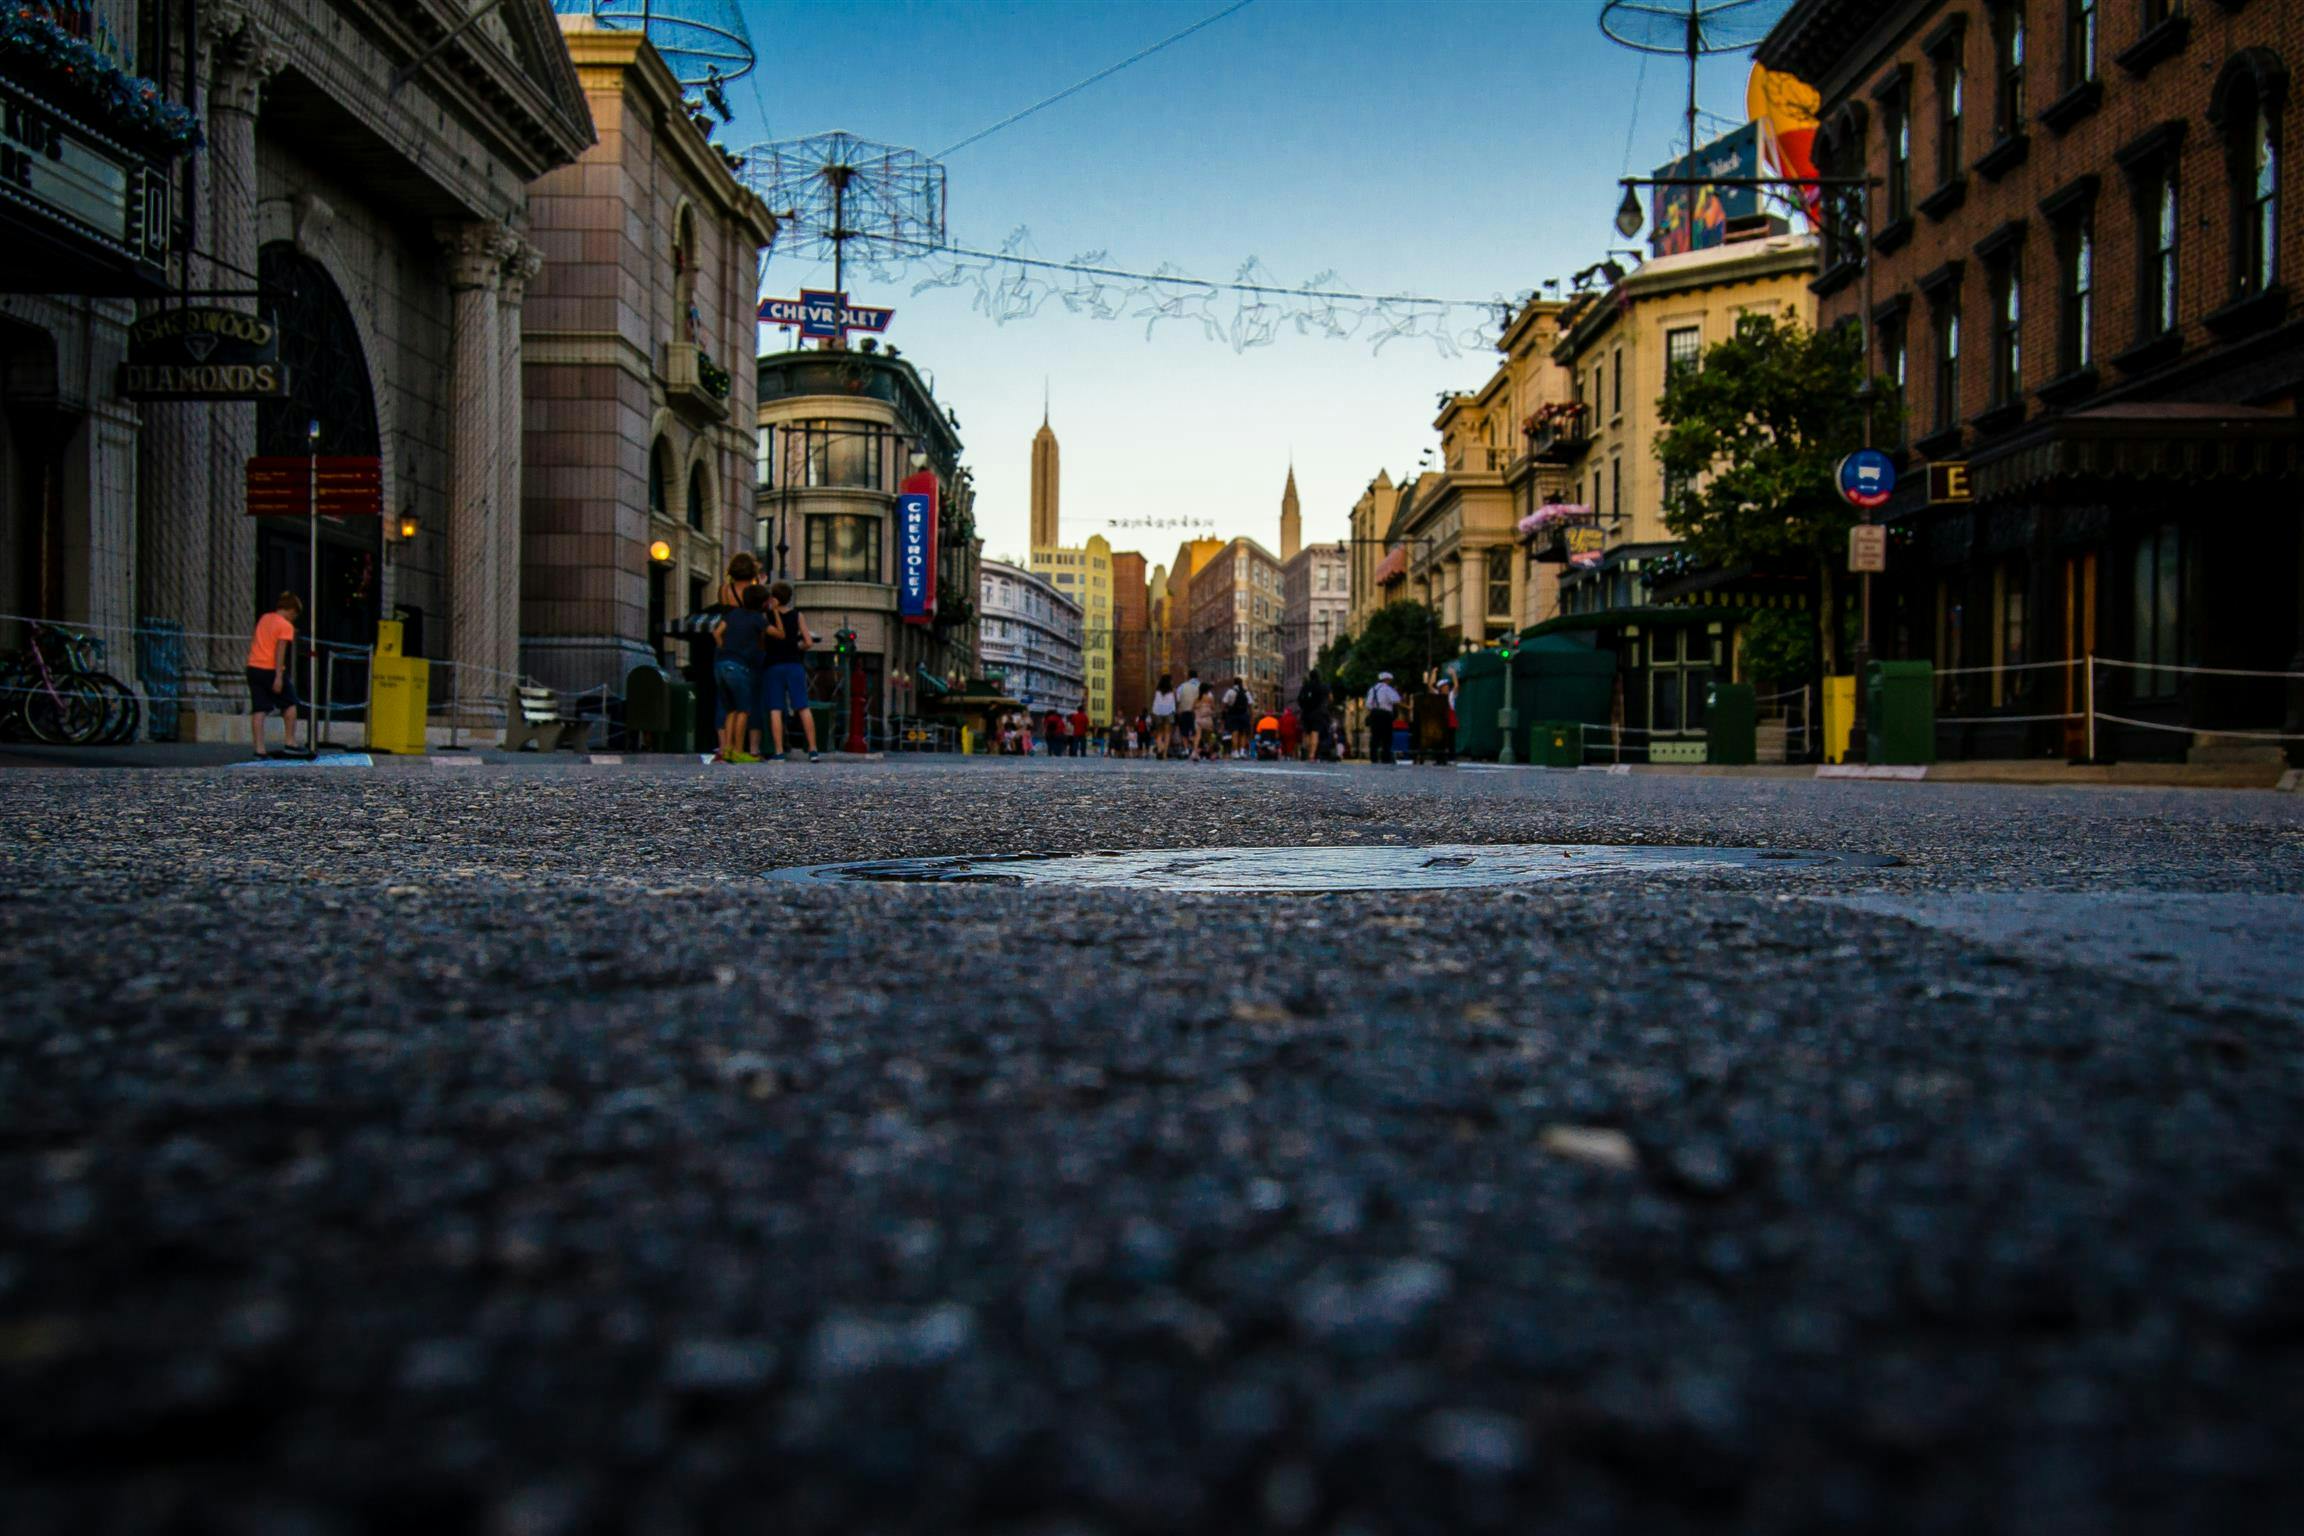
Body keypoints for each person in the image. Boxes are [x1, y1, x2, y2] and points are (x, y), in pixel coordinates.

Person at [759, 581, 820, 761]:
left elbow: (761, 642)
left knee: (775, 708)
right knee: (802, 706)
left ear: (774, 598)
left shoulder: (766, 616)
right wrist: (796, 647)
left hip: (773, 665)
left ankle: (779, 752)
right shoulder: (797, 615)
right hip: (794, 664)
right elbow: (808, 642)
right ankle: (813, 749)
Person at [710, 585, 770, 763]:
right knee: (744, 709)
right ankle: (737, 750)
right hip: (739, 666)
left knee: (731, 709)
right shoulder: (757, 618)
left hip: (721, 663)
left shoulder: (732, 614)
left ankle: (727, 749)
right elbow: (779, 634)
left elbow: (716, 632)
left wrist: (722, 646)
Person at [246, 591, 303, 757]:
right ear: (291, 610)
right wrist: (278, 676)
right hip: (270, 668)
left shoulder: (264, 618)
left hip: (254, 666)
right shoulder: (285, 626)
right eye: (295, 615)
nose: (293, 619)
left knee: (259, 709)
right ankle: (290, 741)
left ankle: (259, 749)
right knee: (290, 703)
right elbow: (280, 651)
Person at [1365, 670, 1403, 764]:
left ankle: (1373, 758)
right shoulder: (1388, 689)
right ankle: (1385, 758)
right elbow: (1396, 700)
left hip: (1374, 714)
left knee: (1375, 737)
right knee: (1386, 737)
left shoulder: (1373, 689)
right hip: (1385, 714)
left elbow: (1368, 704)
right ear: (1387, 680)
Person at [1297, 668, 1332, 763]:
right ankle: (1312, 755)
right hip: (1318, 713)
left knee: (1307, 733)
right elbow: (1330, 698)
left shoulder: (1306, 686)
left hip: (1306, 713)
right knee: (1315, 733)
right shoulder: (1323, 686)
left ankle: (1307, 752)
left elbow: (1299, 699)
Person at [1222, 676, 1253, 757]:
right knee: (1243, 733)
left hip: (1233, 714)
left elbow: (1224, 703)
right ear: (1241, 683)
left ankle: (1235, 752)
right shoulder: (1246, 692)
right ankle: (1242, 751)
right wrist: (1251, 715)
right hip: (1243, 714)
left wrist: (1225, 712)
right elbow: (1250, 704)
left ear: (1234, 683)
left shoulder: (1230, 691)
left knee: (1234, 733)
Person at [1149, 674, 1178, 758]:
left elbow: (1155, 702)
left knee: (1159, 732)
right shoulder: (1173, 691)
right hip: (1169, 712)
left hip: (1158, 713)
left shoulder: (1157, 691)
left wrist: (1153, 712)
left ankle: (1160, 749)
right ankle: (1165, 753)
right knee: (1167, 733)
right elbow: (1175, 702)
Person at [1192, 683, 1219, 759]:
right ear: (1207, 690)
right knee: (1210, 736)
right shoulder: (1209, 698)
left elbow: (1192, 708)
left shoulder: (1196, 699)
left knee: (1197, 736)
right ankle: (1212, 753)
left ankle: (1195, 753)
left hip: (1197, 719)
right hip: (1207, 719)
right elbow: (1213, 707)